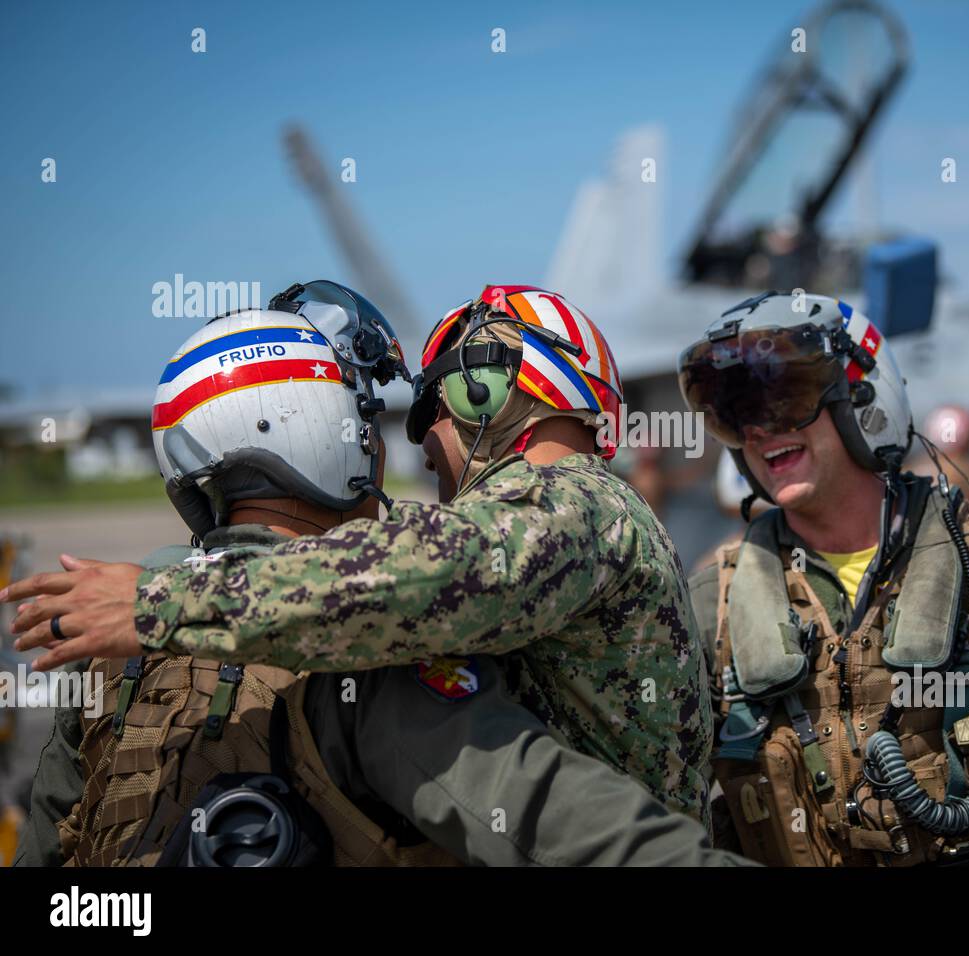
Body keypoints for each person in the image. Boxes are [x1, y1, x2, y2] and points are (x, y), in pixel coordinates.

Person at [14, 284, 744, 867]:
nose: (417, 437)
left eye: (430, 405)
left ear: (484, 391)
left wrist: (154, 600)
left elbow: (419, 578)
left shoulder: (578, 501)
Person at [677, 290, 969, 866]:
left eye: (785, 399)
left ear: (861, 399)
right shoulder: (716, 602)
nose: (759, 429)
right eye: (736, 411)